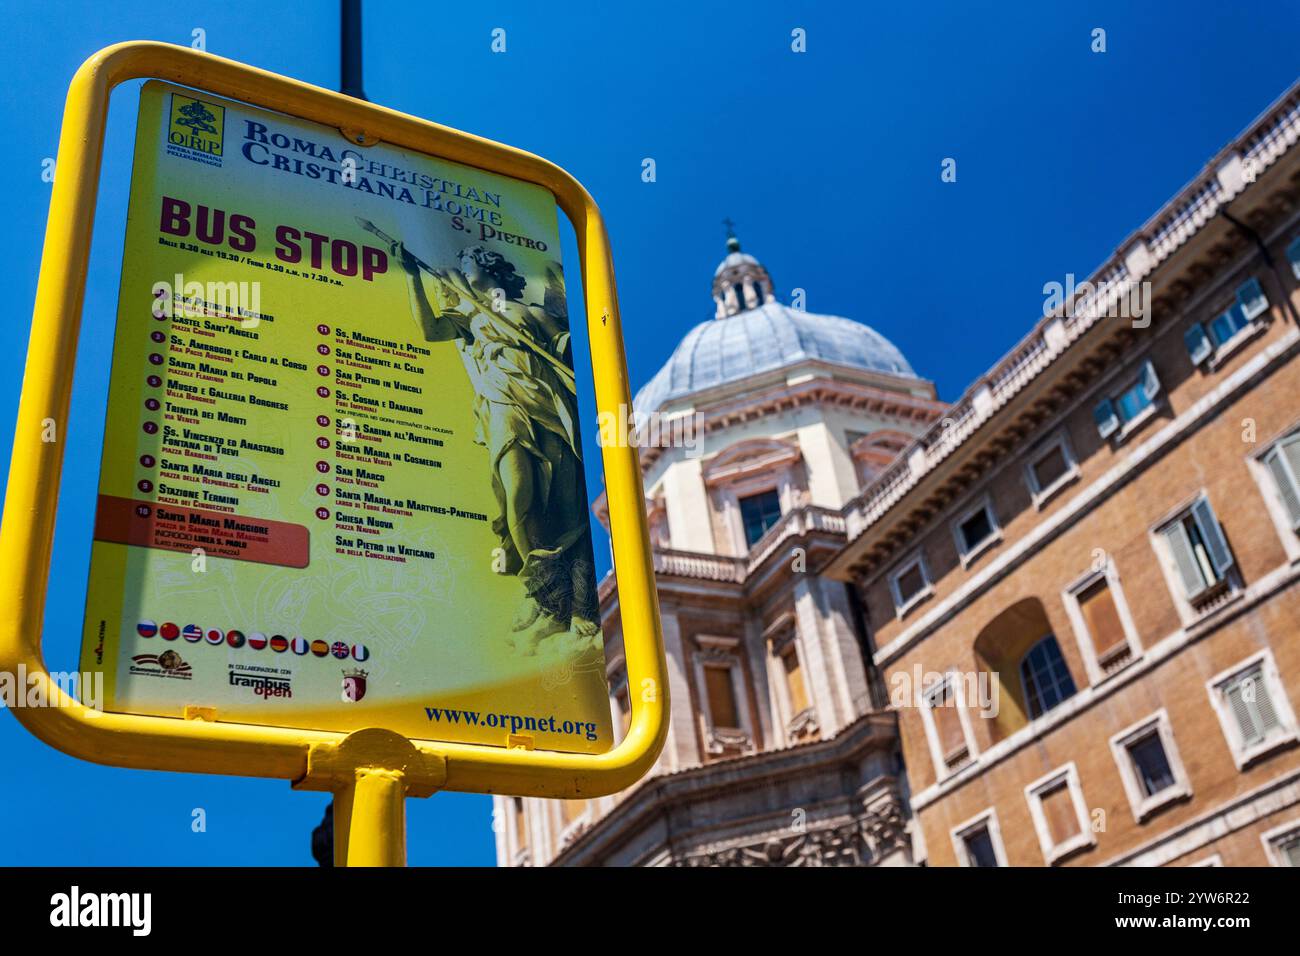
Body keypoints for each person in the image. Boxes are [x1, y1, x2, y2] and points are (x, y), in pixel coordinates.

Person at [391, 238, 599, 654]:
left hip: (545, 405)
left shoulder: (533, 312)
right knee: (516, 495)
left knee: (561, 500)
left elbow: (568, 349)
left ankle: (560, 599)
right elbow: (431, 330)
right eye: (464, 261)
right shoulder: (470, 317)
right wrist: (413, 276)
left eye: (470, 260)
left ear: (490, 267)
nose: (465, 267)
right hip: (502, 404)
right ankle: (542, 587)